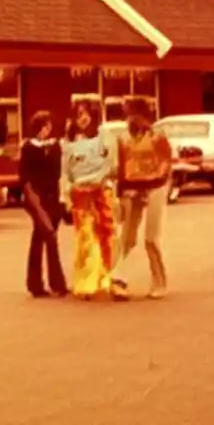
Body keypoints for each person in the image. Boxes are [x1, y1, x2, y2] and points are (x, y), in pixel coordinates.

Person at [111, 97, 172, 299]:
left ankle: (159, 281)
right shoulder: (123, 139)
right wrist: (121, 193)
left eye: (132, 114)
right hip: (132, 189)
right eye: (128, 115)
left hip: (155, 187)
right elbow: (121, 168)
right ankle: (118, 277)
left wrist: (148, 186)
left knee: (150, 239)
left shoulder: (158, 137)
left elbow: (165, 165)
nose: (129, 119)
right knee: (127, 236)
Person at [61, 100, 119, 300]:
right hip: (80, 195)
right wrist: (67, 193)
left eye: (86, 114)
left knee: (105, 234)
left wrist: (97, 178)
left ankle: (104, 277)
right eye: (78, 115)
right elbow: (66, 172)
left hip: (101, 192)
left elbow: (110, 164)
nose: (83, 118)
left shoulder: (104, 137)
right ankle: (86, 282)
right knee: (85, 238)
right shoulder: (69, 143)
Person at [19, 111, 67, 298]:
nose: (48, 129)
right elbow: (24, 175)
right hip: (36, 198)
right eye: (45, 125)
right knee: (49, 235)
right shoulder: (28, 147)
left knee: (40, 239)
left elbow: (59, 171)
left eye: (49, 125)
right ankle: (56, 283)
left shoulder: (56, 146)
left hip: (53, 197)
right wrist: (31, 195)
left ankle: (37, 284)